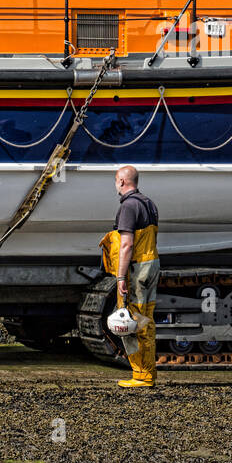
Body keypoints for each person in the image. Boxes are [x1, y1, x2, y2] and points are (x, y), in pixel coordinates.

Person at [99, 165, 159, 387]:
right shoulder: (148, 204)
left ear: (122, 182)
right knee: (144, 319)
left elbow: (126, 245)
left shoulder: (128, 206)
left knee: (132, 322)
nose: (116, 185)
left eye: (116, 181)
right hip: (151, 265)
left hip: (136, 270)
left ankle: (141, 375)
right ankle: (147, 373)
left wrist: (121, 277)